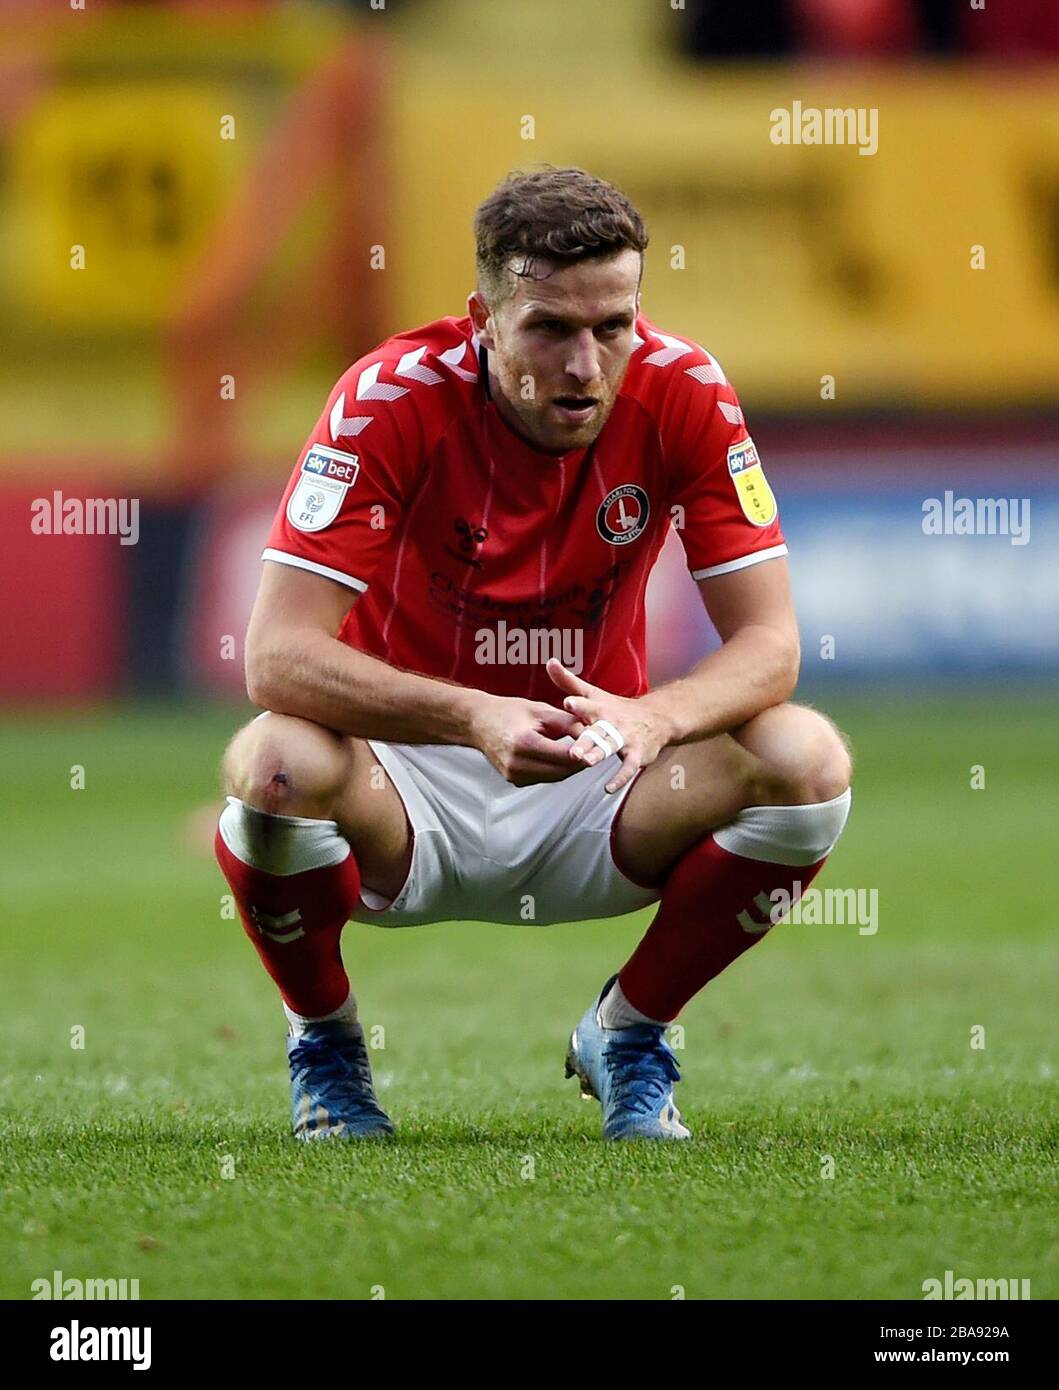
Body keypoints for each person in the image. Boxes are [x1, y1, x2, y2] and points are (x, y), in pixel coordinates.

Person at [215, 165, 852, 1142]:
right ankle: (326, 1045)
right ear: (485, 318)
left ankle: (630, 1032)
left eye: (614, 326)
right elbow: (275, 658)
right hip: (403, 784)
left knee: (806, 762)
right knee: (270, 766)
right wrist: (469, 713)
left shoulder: (686, 390)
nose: (588, 366)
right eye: (551, 329)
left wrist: (655, 716)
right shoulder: (389, 398)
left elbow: (770, 643)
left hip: (602, 780)